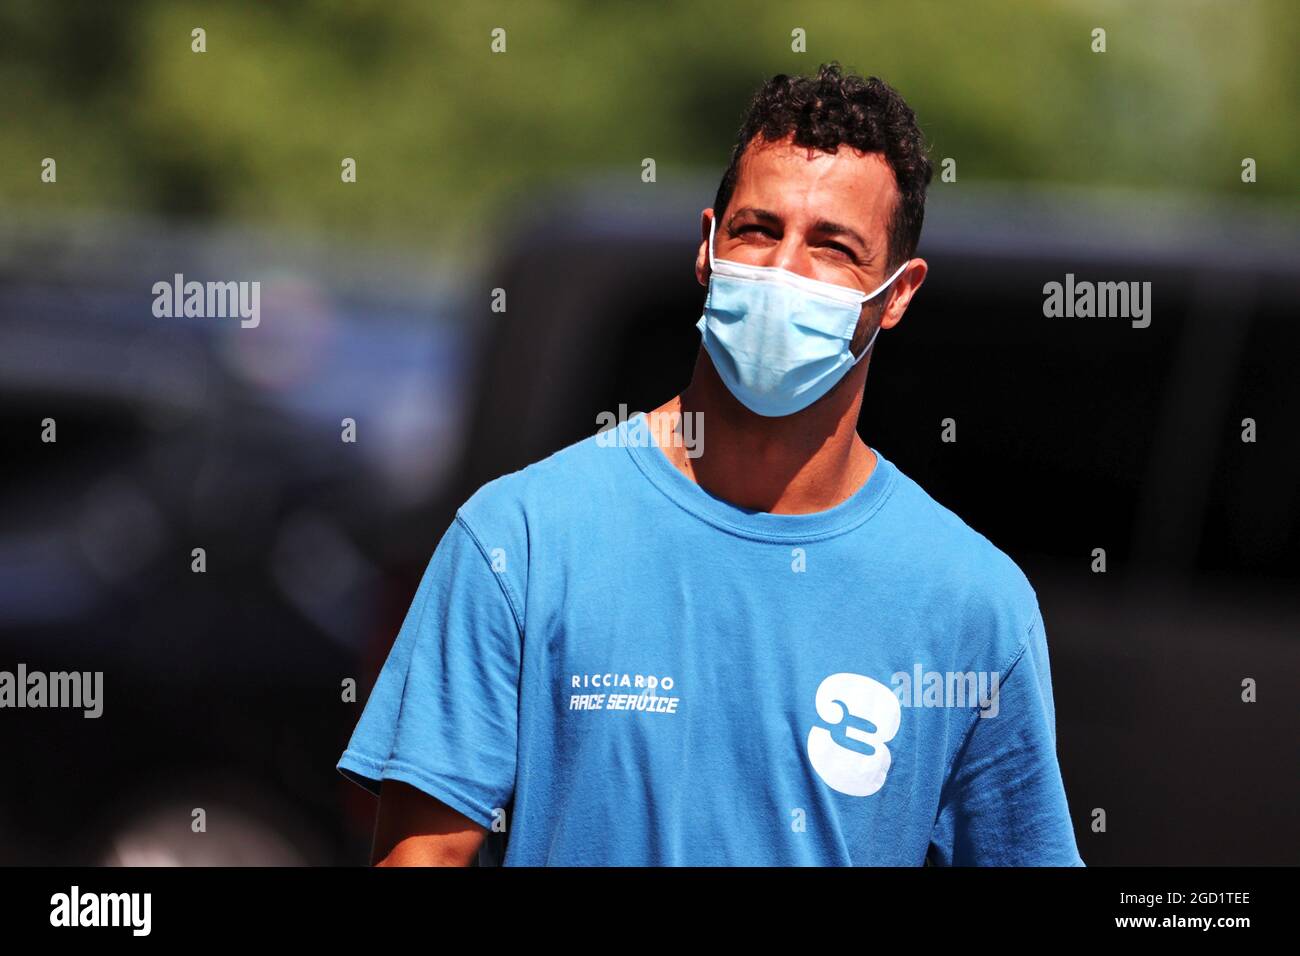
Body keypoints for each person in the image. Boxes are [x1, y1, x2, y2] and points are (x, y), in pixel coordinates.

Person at [337, 62, 1085, 867]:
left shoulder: (972, 604)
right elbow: (420, 858)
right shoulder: (519, 538)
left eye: (834, 247)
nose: (783, 271)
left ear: (898, 294)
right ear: (708, 246)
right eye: (759, 230)